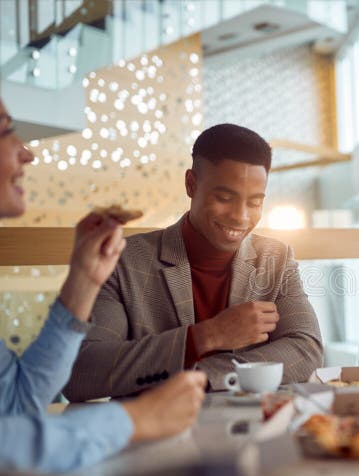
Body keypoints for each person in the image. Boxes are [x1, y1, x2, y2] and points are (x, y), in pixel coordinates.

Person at [0, 95, 207, 473]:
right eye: (4, 132)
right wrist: (136, 419)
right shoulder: (137, 260)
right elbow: (82, 377)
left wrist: (82, 279)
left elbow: (15, 404)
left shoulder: (274, 258)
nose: (26, 153)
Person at [64, 124, 323, 400]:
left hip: (252, 434)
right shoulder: (126, 261)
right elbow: (81, 372)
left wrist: (203, 376)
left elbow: (306, 351)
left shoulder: (277, 259)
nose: (240, 216)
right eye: (225, 198)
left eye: (254, 202)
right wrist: (205, 336)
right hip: (153, 436)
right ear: (191, 184)